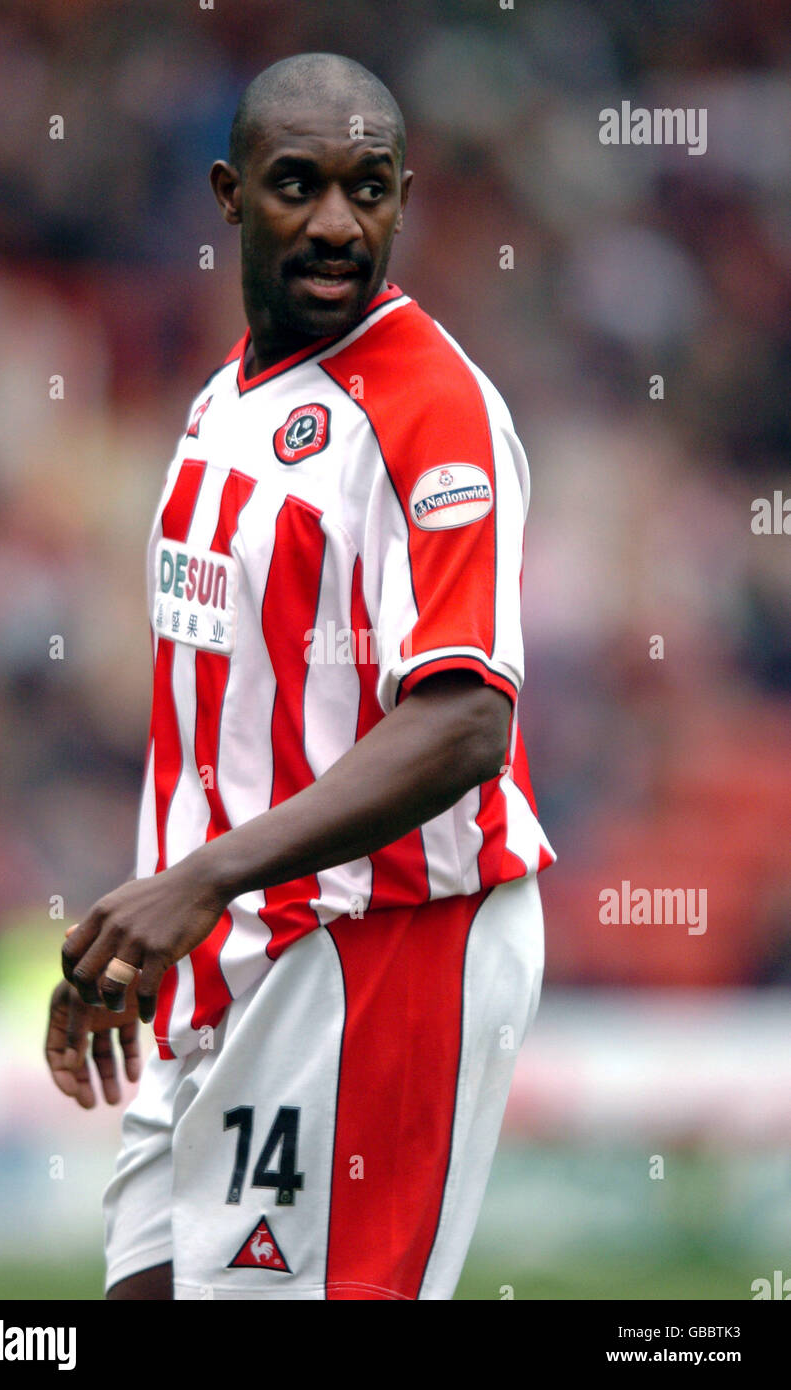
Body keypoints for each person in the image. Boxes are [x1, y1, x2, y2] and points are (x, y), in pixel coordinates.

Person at [45, 51, 555, 1302]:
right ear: (228, 195)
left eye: (368, 190)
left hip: (381, 948)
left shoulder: (433, 411)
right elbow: (227, 727)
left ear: (401, 199)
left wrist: (200, 882)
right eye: (297, 185)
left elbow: (465, 724)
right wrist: (155, 928)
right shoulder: (229, 397)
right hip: (238, 951)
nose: (337, 223)